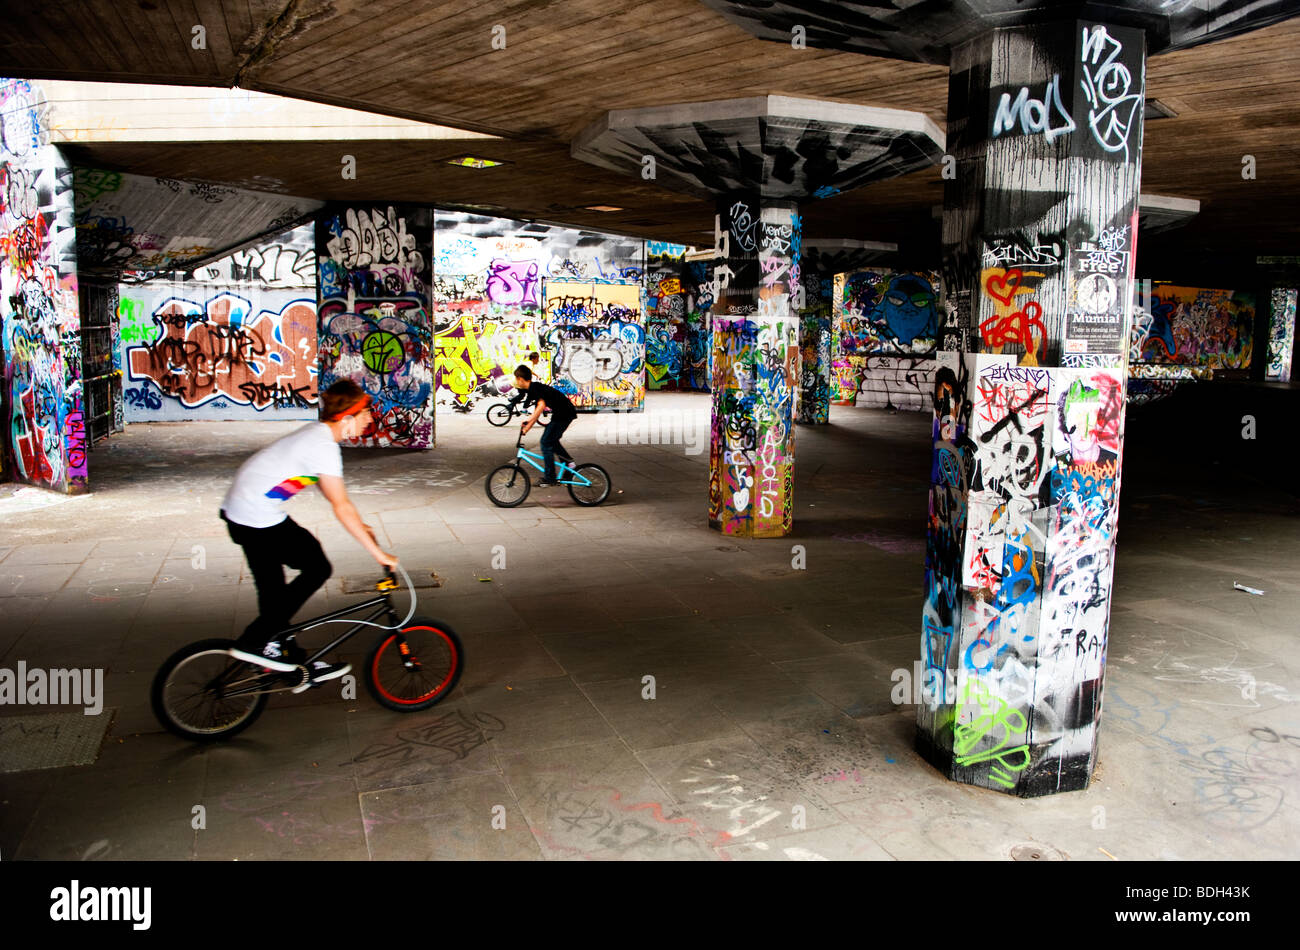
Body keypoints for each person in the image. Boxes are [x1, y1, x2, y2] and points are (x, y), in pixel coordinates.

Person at [220, 379, 400, 685]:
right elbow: (340, 507)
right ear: (346, 419)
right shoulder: (323, 446)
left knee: (275, 596)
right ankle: (255, 642)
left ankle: (284, 660)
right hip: (255, 516)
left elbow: (334, 496)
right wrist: (379, 554)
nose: (370, 418)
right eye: (365, 412)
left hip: (244, 512)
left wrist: (362, 526)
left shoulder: (316, 437)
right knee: (317, 567)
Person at [514, 363, 576, 486]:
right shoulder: (532, 388)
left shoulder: (533, 388)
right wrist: (528, 426)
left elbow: (541, 406)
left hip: (564, 413)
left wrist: (529, 422)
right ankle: (570, 464)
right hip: (561, 413)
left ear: (521, 379)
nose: (516, 382)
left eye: (516, 379)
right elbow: (539, 407)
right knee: (552, 440)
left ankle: (550, 477)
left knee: (545, 442)